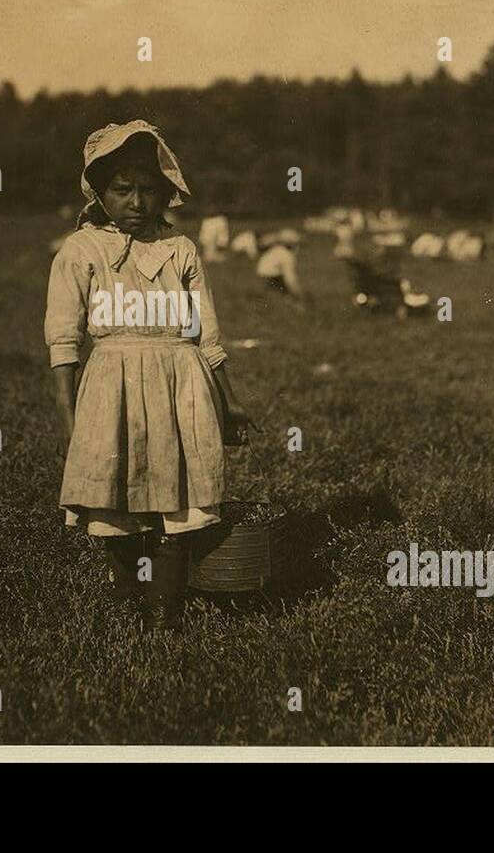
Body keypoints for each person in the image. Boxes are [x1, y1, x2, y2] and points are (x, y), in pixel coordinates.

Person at [45, 120, 254, 632]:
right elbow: (64, 339)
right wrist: (69, 417)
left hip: (182, 379)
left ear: (166, 192)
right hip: (111, 382)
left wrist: (228, 400)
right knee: (116, 500)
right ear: (99, 191)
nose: (136, 202)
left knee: (178, 500)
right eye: (122, 190)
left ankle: (165, 611)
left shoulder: (179, 249)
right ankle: (128, 599)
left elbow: (205, 330)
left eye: (148, 190)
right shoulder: (80, 251)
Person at [255, 228, 304, 301]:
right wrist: (300, 296)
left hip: (260, 277)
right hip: (270, 278)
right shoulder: (287, 256)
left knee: (282, 296)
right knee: (290, 297)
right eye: (296, 244)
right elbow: (290, 279)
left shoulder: (276, 249)